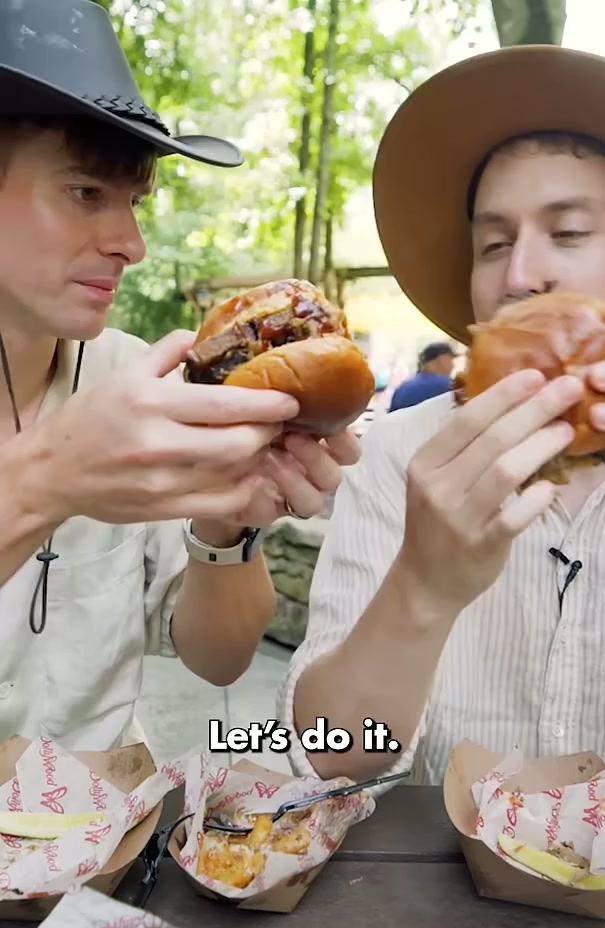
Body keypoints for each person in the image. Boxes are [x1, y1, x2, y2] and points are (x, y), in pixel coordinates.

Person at [0, 0, 359, 751]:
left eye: (134, 202)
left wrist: (227, 520)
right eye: (86, 193)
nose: (131, 244)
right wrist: (46, 482)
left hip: (105, 815)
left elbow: (218, 659)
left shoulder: (134, 377)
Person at [277, 44, 605, 785]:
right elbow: (325, 757)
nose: (520, 274)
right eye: (493, 244)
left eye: (568, 233)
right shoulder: (399, 455)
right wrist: (423, 587)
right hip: (432, 862)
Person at [388, 341, 456, 412]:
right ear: (442, 360)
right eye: (450, 360)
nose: (453, 365)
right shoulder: (447, 384)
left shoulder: (402, 387)